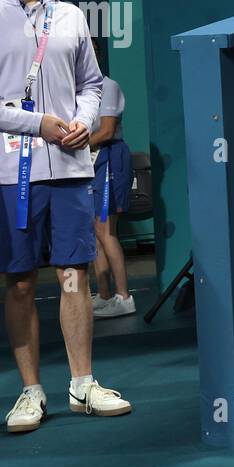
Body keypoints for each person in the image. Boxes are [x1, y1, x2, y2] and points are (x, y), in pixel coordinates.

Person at [0, 0, 132, 433]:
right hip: (12, 172)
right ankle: (31, 390)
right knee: (22, 284)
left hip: (74, 166)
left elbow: (91, 82)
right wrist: (39, 125)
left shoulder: (72, 16)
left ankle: (82, 383)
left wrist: (81, 120)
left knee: (75, 274)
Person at [88, 42, 135, 319]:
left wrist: (73, 146)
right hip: (90, 160)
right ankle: (105, 295)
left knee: (106, 230)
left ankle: (124, 297)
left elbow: (106, 131)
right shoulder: (80, 91)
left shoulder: (109, 86)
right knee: (95, 231)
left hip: (109, 158)